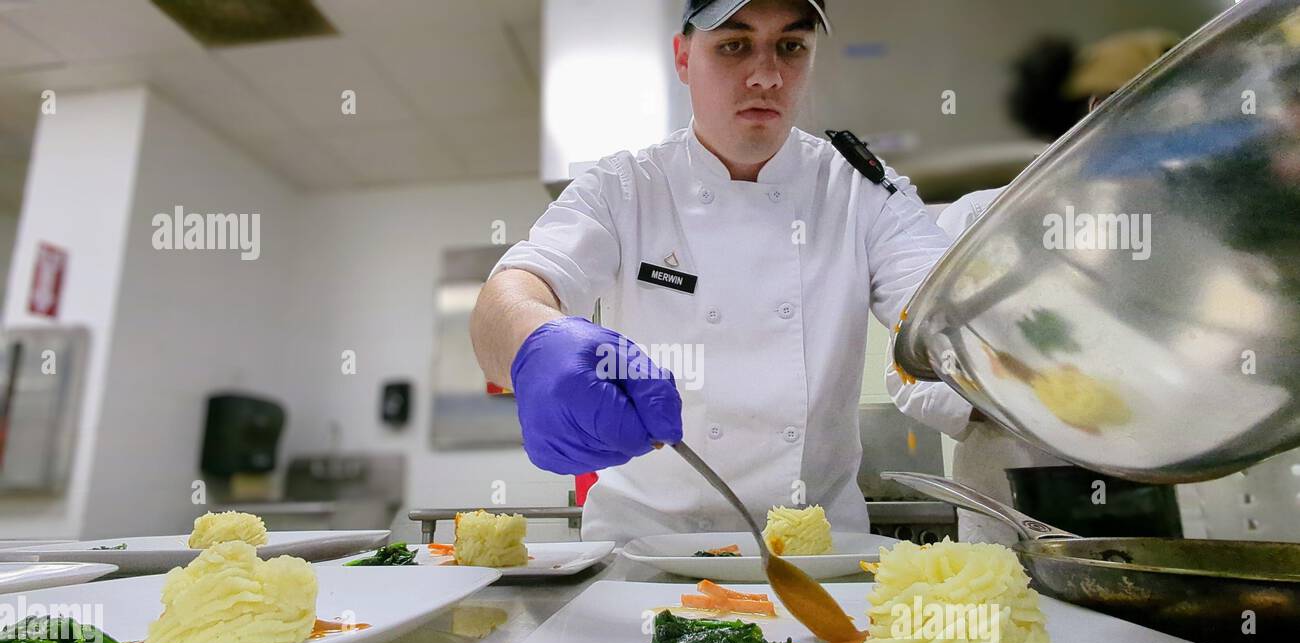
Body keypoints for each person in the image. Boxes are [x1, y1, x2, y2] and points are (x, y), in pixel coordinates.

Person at [471, 0, 972, 545]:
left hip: (820, 560)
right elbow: (511, 294)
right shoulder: (624, 187)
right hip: (642, 558)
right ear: (684, 58)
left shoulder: (863, 192)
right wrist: (537, 344)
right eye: (733, 45)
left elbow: (940, 312)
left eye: (791, 46)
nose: (766, 76)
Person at [893, 29, 1180, 545]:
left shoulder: (1182, 237)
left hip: (1145, 509)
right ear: (1094, 110)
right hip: (1008, 509)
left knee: (1144, 625)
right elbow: (906, 375)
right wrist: (1013, 396)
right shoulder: (979, 220)